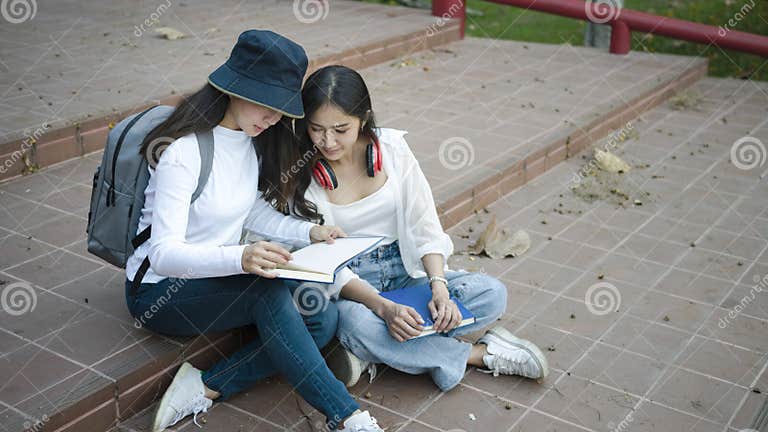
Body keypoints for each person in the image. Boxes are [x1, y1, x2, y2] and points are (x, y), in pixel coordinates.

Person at [125, 31, 386, 432]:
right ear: (233, 89)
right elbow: (163, 254)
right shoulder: (183, 152)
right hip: (161, 290)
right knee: (264, 290)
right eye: (265, 104)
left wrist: (308, 233)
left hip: (216, 277)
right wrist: (240, 257)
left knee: (321, 314)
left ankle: (207, 386)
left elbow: (250, 213)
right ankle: (347, 416)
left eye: (281, 109)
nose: (274, 118)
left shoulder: (248, 140)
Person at [294, 65, 549, 392]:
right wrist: (383, 308)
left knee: (491, 294)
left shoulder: (394, 150)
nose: (327, 141)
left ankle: (377, 354)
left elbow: (424, 223)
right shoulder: (300, 171)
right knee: (355, 324)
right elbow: (323, 263)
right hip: (353, 287)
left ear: (363, 118)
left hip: (404, 269)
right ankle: (479, 355)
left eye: (340, 129)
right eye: (316, 129)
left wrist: (439, 287)